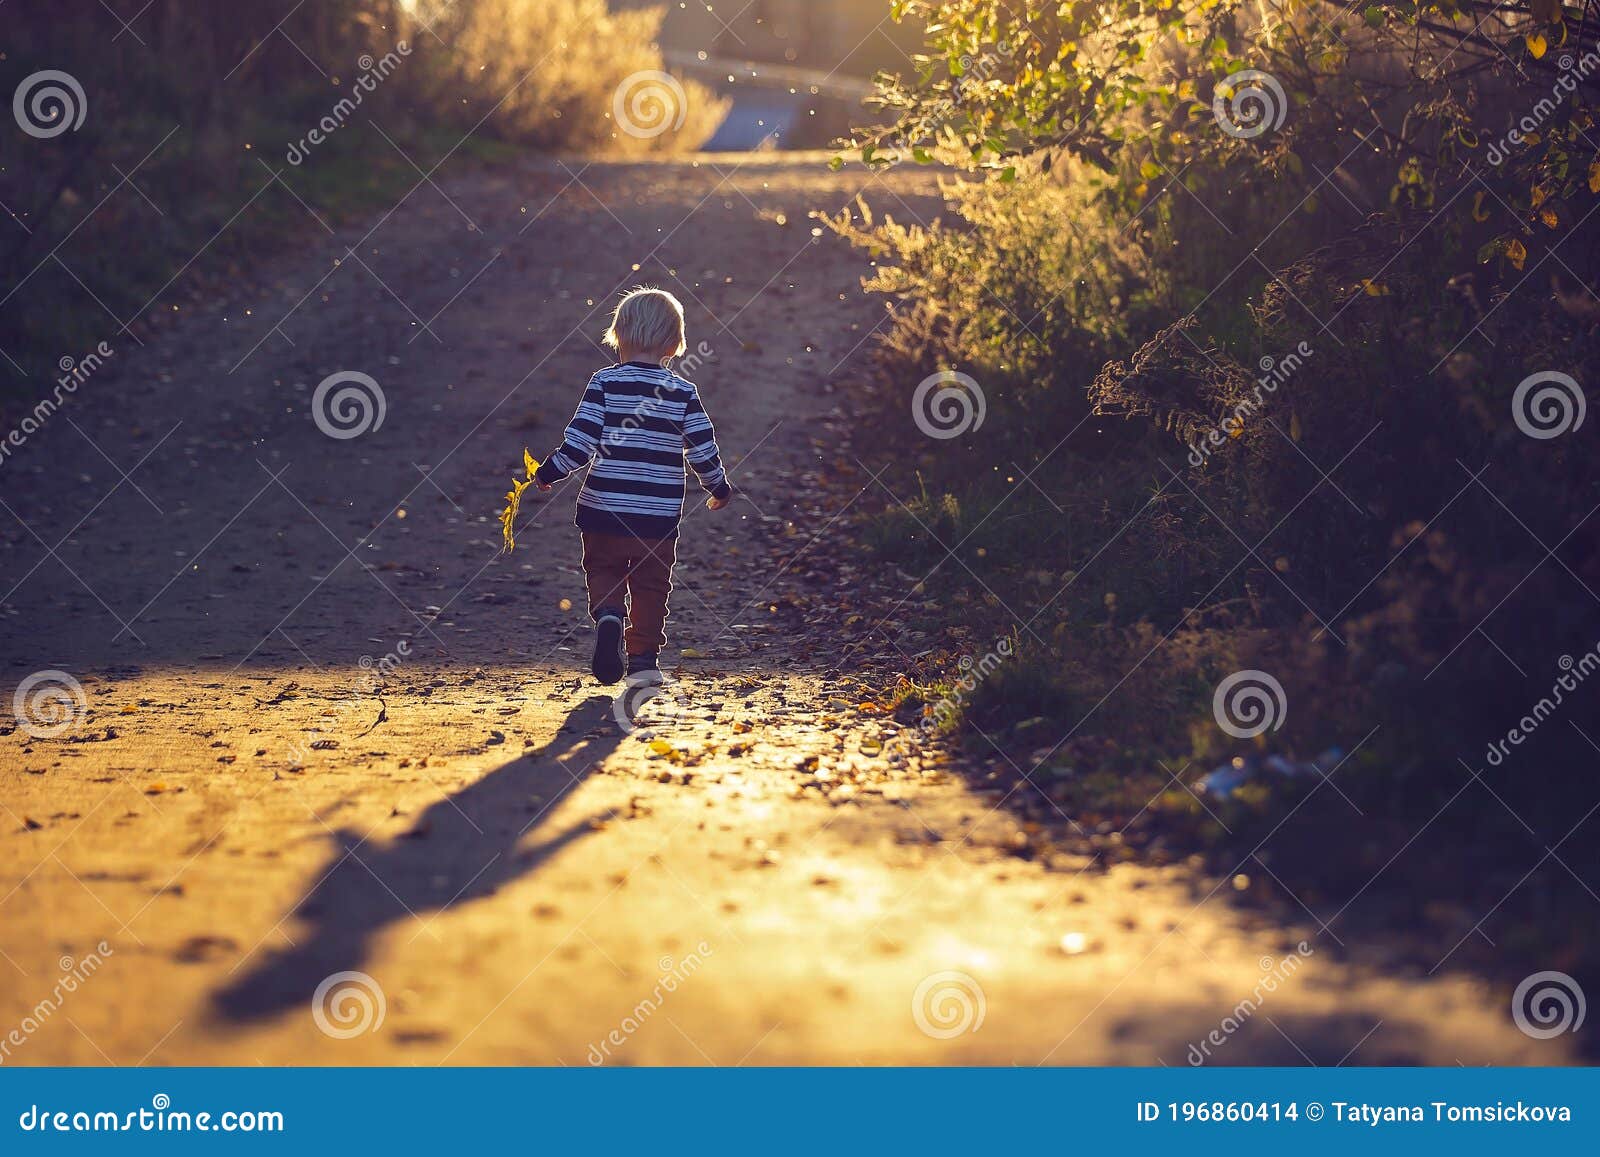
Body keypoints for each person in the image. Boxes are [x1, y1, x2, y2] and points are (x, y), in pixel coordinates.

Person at [534, 287, 732, 683]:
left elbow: (581, 441)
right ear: (675, 344)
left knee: (604, 568)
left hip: (603, 511)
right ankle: (642, 659)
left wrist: (549, 471)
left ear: (618, 336)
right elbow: (701, 448)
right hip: (656, 519)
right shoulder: (683, 393)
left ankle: (608, 614)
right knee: (651, 585)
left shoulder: (604, 383)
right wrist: (718, 487)